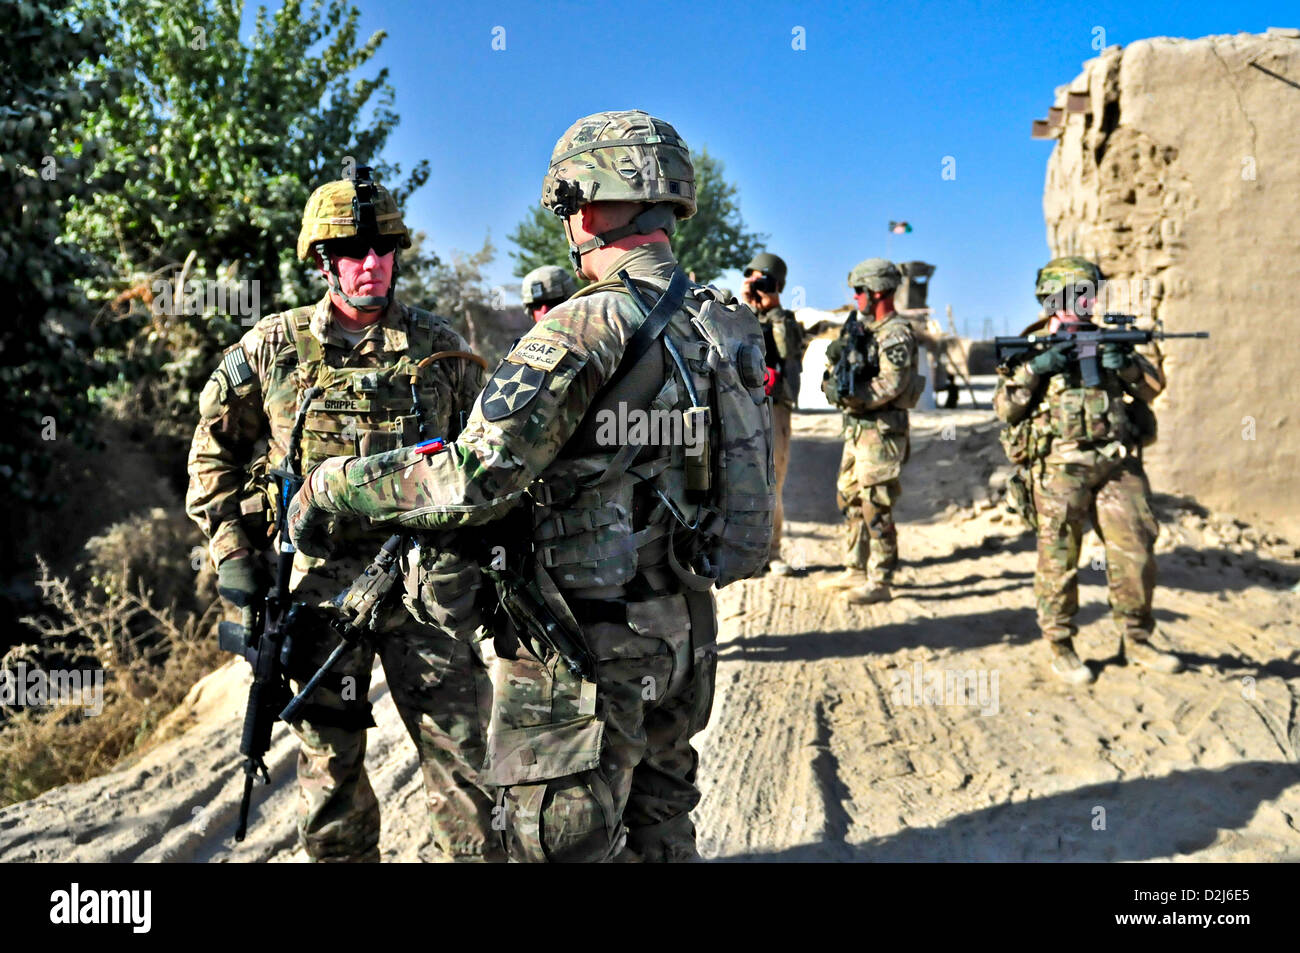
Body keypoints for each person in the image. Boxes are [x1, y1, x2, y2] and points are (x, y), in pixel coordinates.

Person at [286, 110, 773, 862]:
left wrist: (332, 485)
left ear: (595, 199)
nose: (569, 220)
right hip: (679, 630)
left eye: (570, 201)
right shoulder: (717, 321)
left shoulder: (586, 326)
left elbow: (472, 477)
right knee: (662, 820)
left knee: (559, 842)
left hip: (584, 649)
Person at [186, 168, 503, 861]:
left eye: (382, 249)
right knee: (330, 775)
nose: (370, 265)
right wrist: (235, 560)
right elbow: (212, 460)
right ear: (324, 261)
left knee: (465, 769)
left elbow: (495, 461)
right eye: (353, 252)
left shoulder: (442, 351)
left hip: (429, 593)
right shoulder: (271, 350)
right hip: (322, 597)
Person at [993, 256, 1182, 684]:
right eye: (1072, 293)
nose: (1082, 301)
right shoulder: (1031, 344)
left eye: (1087, 292)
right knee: (1059, 558)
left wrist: (1127, 365)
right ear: (1050, 298)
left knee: (1135, 549)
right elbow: (1005, 408)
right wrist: (1036, 370)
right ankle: (1061, 645)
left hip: (1116, 462)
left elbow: (1153, 388)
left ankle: (1136, 638)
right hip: (1059, 467)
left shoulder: (1113, 336)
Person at [819, 258, 923, 605]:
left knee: (876, 504)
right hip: (857, 430)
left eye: (859, 291)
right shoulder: (863, 329)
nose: (855, 297)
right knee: (848, 497)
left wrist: (853, 396)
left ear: (877, 291)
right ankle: (855, 568)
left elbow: (892, 384)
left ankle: (881, 578)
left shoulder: (896, 333)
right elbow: (842, 372)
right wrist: (832, 377)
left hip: (881, 432)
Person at [742, 252, 805, 575]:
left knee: (773, 482)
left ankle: (774, 551)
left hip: (775, 408)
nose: (757, 285)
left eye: (763, 279)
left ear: (778, 285)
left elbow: (789, 354)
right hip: (740, 407)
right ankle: (746, 553)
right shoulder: (737, 314)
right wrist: (745, 307)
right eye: (752, 277)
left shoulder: (786, 322)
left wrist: (773, 309)